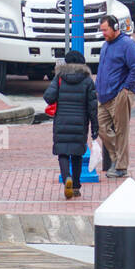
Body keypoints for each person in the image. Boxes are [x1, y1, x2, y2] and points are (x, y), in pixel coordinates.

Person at [44, 50, 99, 199]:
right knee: (77, 154)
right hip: (80, 123)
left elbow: (48, 97)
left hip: (61, 121)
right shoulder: (87, 80)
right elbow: (92, 107)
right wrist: (95, 128)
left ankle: (66, 177)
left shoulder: (59, 77)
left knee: (62, 153)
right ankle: (75, 186)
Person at [96, 14, 135, 178]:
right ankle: (116, 158)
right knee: (100, 127)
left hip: (120, 94)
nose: (103, 33)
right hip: (103, 96)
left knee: (121, 130)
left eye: (105, 30)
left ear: (115, 27)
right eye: (101, 30)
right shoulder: (105, 45)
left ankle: (121, 166)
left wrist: (125, 89)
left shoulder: (127, 44)